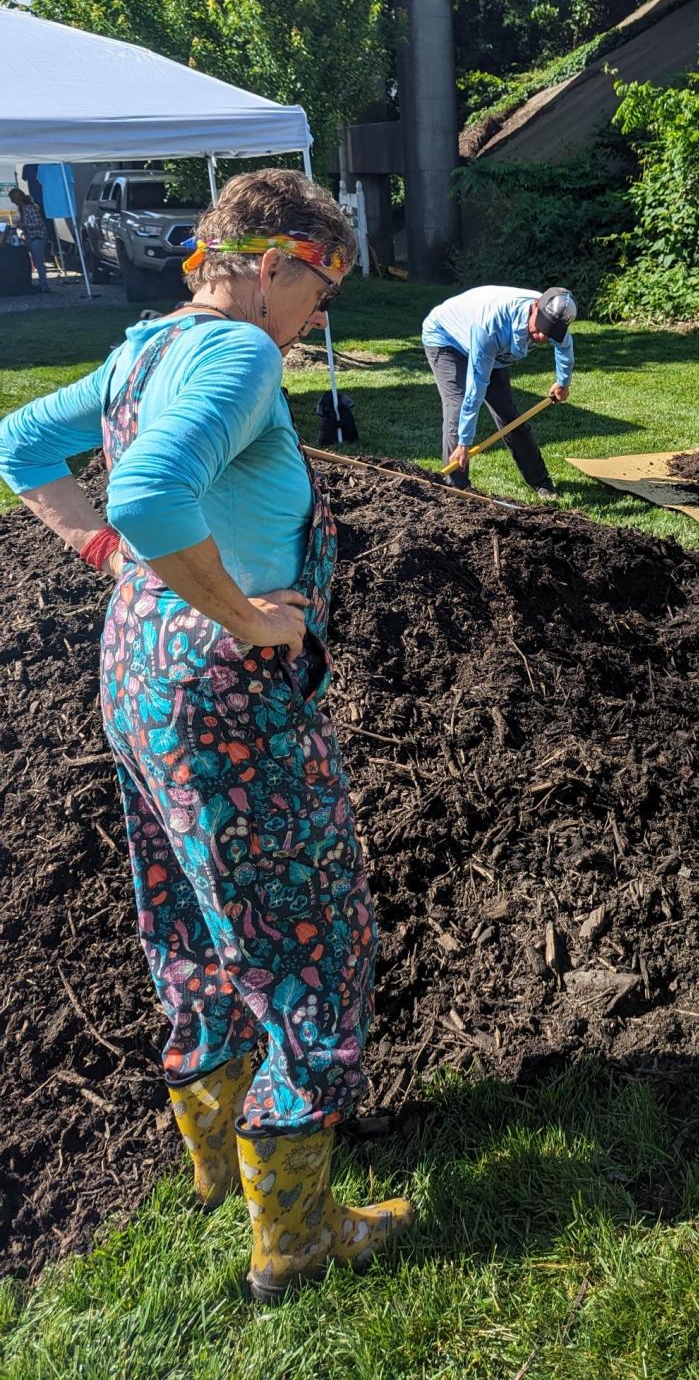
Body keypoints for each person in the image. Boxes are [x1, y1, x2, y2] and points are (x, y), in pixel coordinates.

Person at [0, 168, 414, 1303]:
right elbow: (146, 491)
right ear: (276, 264)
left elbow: (22, 444)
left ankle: (209, 1159)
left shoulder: (146, 347)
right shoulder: (237, 354)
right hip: (223, 687)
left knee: (185, 908)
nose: (318, 320)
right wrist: (238, 611)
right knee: (311, 936)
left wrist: (106, 565)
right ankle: (295, 1236)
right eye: (321, 294)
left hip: (138, 669)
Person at [422, 283, 577, 497]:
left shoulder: (556, 315)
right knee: (457, 409)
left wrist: (563, 382)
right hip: (446, 339)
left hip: (492, 351)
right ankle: (456, 488)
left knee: (510, 418)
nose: (542, 336)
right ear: (534, 308)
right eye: (540, 328)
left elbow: (565, 348)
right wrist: (465, 441)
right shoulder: (492, 325)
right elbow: (475, 388)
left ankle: (542, 483)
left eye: (549, 332)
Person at [9, 186, 51, 292]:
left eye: (13, 200)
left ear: (17, 199)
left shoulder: (30, 208)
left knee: (38, 262)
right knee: (36, 262)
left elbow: (38, 223)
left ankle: (44, 285)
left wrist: (23, 224)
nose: (13, 202)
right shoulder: (23, 209)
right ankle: (42, 284)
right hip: (31, 238)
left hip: (38, 237)